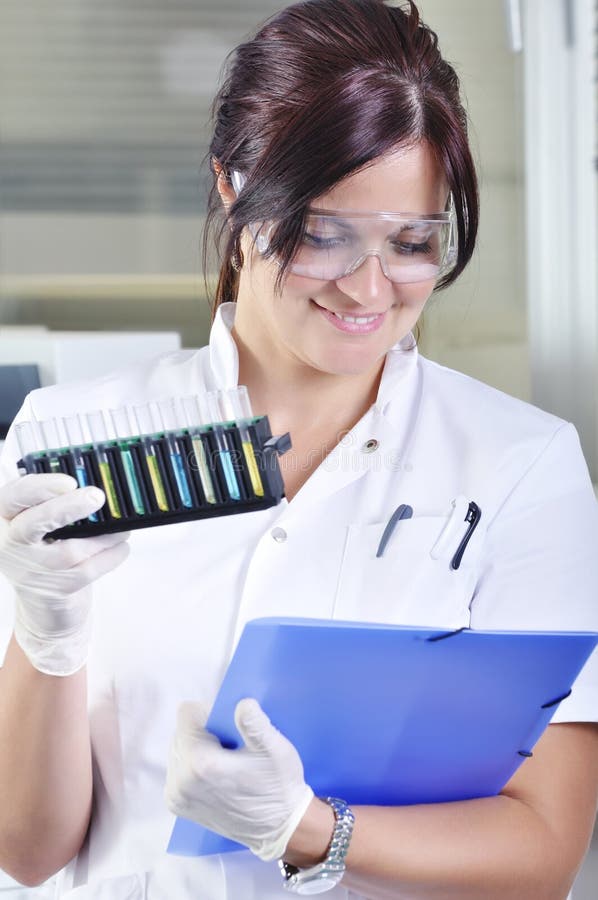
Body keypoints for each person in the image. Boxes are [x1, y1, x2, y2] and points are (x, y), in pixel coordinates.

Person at [0, 0, 597, 897]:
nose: (369, 287)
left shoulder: (521, 468)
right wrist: (46, 640)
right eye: (325, 233)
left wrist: (310, 830)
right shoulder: (73, 442)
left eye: (412, 242)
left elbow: (544, 850)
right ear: (233, 188)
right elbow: (28, 850)